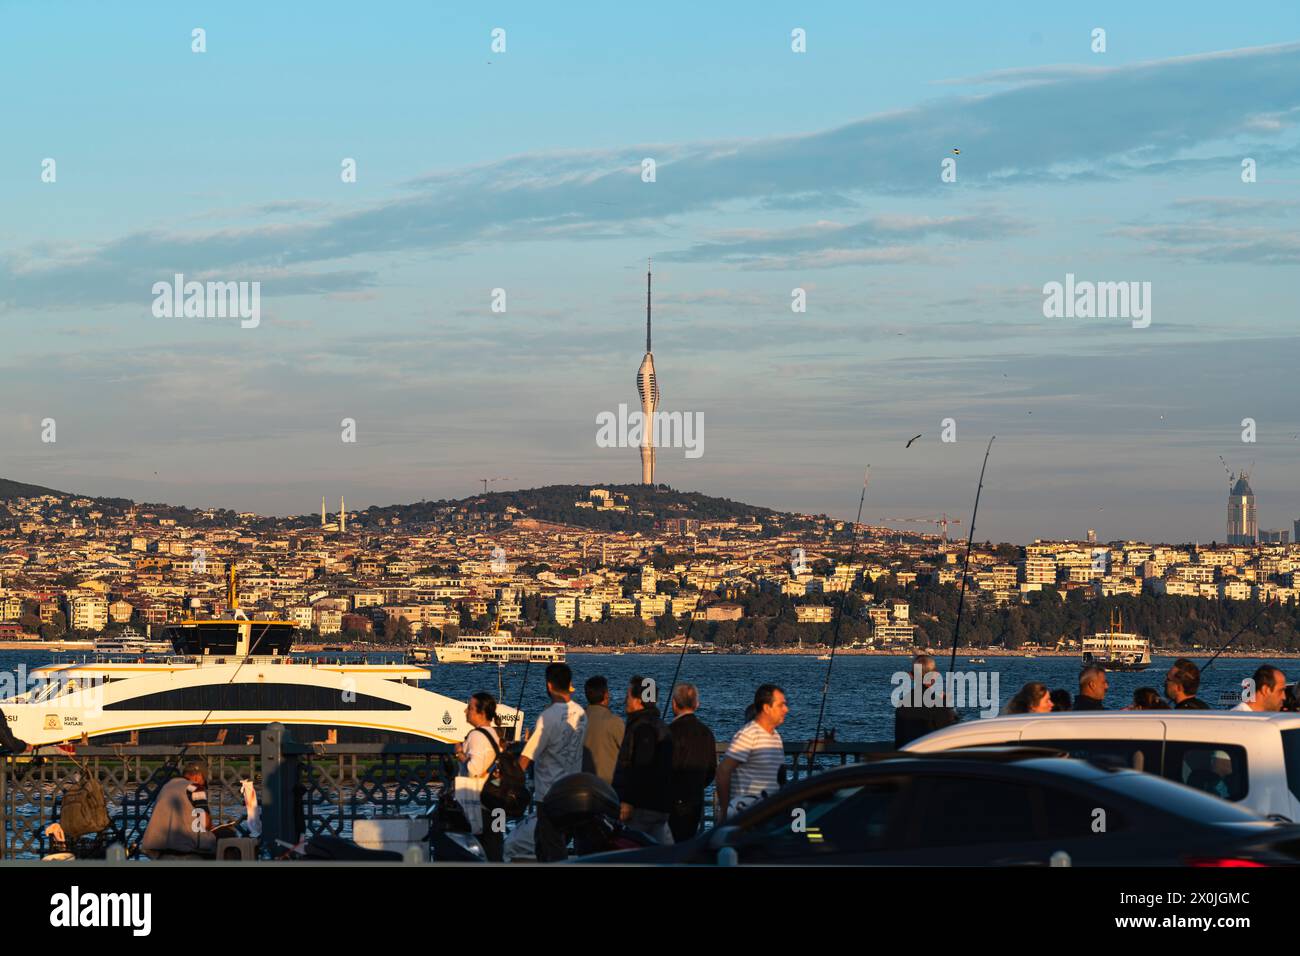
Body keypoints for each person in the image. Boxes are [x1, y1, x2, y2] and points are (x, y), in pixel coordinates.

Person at [508, 663, 586, 862]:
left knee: (551, 847)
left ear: (549, 685)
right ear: (570, 684)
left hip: (549, 795)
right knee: (551, 843)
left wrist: (509, 781)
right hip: (573, 791)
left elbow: (527, 756)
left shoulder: (548, 717)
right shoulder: (581, 713)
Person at [612, 675, 674, 844]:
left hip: (641, 807)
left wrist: (628, 801)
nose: (626, 700)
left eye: (628, 696)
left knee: (633, 850)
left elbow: (641, 766)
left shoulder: (642, 727)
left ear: (639, 700)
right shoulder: (661, 726)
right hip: (661, 803)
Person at [716, 684, 787, 823]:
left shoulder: (776, 737)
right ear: (767, 708)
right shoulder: (748, 735)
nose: (785, 709)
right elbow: (723, 771)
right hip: (747, 815)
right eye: (781, 705)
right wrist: (724, 811)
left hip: (768, 813)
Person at [455, 691, 504, 861]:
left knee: (480, 852)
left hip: (480, 805)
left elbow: (473, 769)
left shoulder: (476, 736)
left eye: (469, 707)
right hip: (498, 802)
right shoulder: (494, 734)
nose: (465, 711)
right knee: (496, 848)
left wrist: (460, 753)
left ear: (481, 713)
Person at [140, 758, 219, 859]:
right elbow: (204, 822)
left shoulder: (166, 786)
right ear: (198, 776)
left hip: (160, 852)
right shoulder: (195, 788)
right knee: (225, 835)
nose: (203, 785)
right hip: (188, 852)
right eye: (203, 781)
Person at [667, 683, 717, 842]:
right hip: (696, 798)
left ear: (674, 704)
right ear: (697, 704)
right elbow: (711, 769)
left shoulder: (670, 732)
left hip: (671, 801)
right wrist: (697, 784)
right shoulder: (706, 732)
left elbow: (664, 768)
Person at [893, 654, 958, 747]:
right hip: (930, 756)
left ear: (912, 675)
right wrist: (948, 707)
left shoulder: (902, 703)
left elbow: (900, 739)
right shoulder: (939, 703)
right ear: (935, 675)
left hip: (907, 756)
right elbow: (949, 734)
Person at [582, 675, 624, 785]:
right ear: (606, 695)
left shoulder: (576, 720)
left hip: (580, 784)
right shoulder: (615, 722)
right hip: (607, 788)